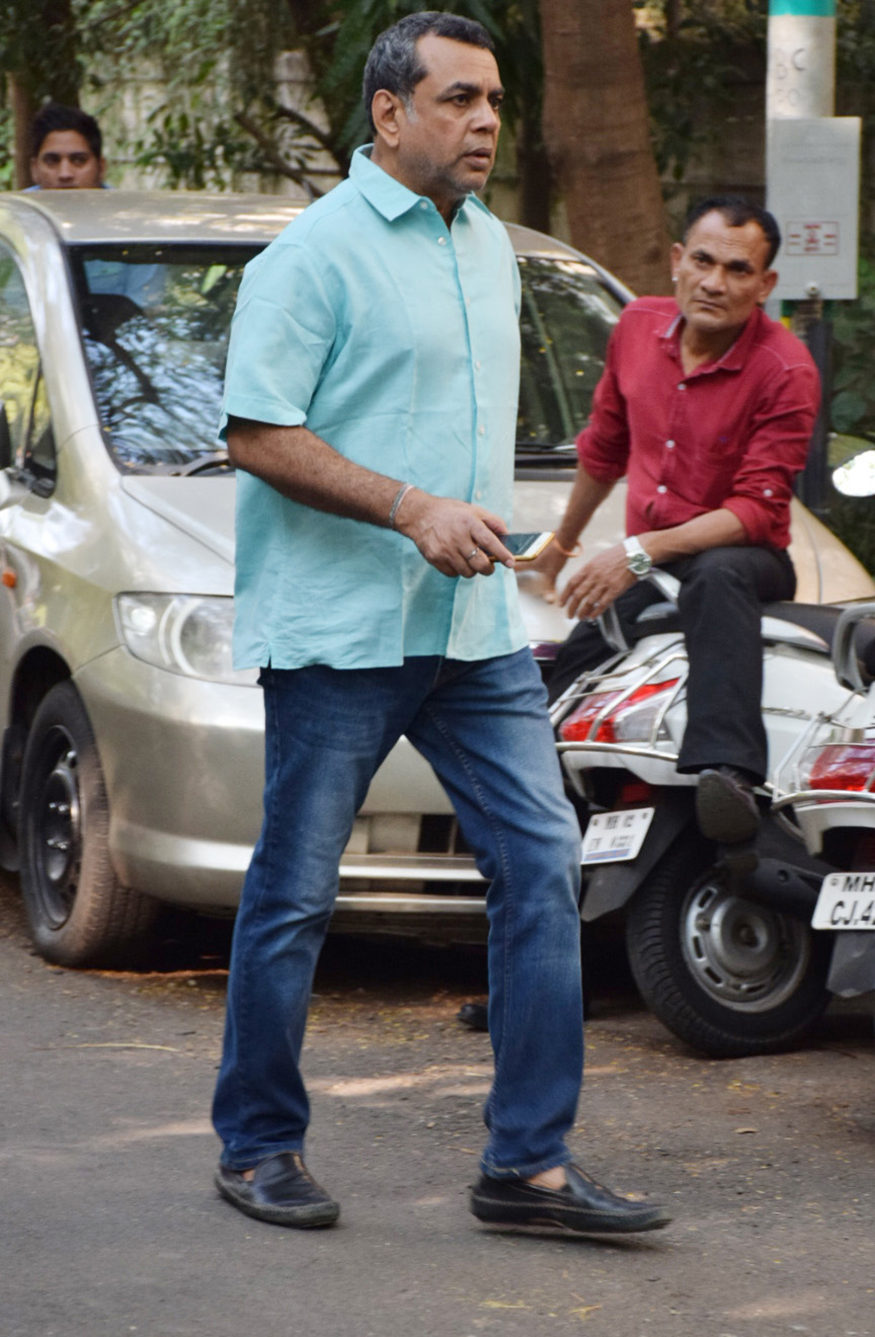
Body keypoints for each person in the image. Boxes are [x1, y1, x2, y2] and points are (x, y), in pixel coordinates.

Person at [211, 11, 670, 1237]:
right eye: (459, 99)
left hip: (470, 630)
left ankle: (525, 1163)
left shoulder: (486, 248)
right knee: (297, 894)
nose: (483, 122)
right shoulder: (310, 256)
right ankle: (256, 1142)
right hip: (340, 629)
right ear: (388, 112)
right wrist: (407, 507)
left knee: (538, 863)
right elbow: (256, 433)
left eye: (493, 102)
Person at [539, 196, 821, 845]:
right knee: (568, 662)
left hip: (741, 555)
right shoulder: (636, 326)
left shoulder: (786, 369)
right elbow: (603, 449)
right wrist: (561, 543)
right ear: (676, 261)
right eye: (701, 260)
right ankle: (549, 799)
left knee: (716, 574)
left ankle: (727, 772)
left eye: (737, 269)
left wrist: (635, 551)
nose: (714, 282)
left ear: (764, 284)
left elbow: (755, 509)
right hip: (652, 559)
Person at [28, 104, 106, 189]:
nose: (65, 174)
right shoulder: (15, 202)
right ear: (34, 169)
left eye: (79, 160)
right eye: (51, 161)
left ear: (101, 168)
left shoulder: (120, 202)